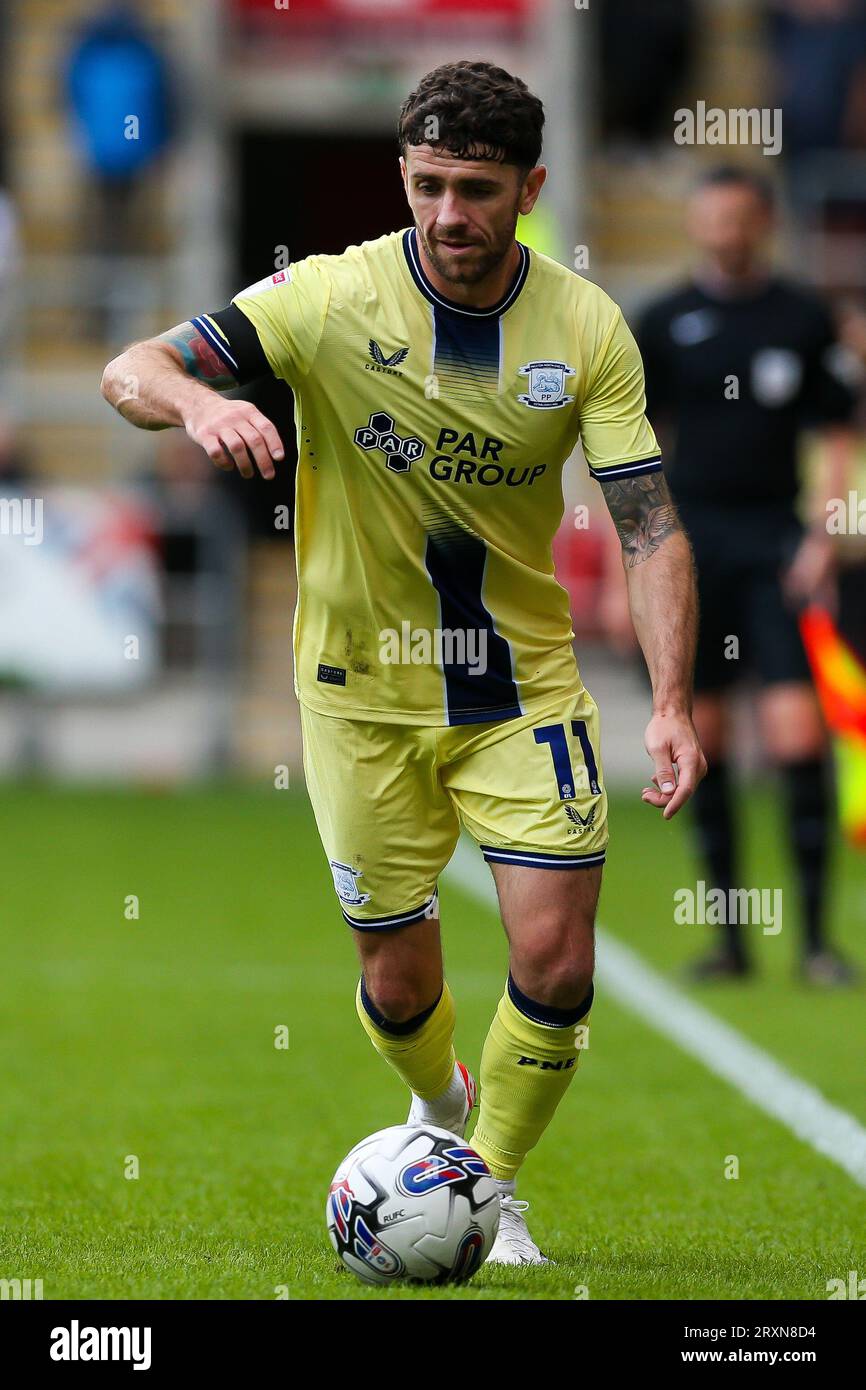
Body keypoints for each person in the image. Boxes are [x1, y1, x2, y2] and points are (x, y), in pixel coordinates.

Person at [101, 61, 705, 1266]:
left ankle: (490, 1182)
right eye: (425, 184)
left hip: (518, 690)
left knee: (554, 949)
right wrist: (196, 404)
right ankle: (435, 1104)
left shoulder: (584, 327)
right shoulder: (325, 298)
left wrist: (674, 702)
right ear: (401, 178)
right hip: (358, 695)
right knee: (394, 981)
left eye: (475, 189)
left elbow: (647, 526)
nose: (446, 214)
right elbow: (131, 369)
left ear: (530, 187)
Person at [623, 166, 859, 985]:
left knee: (798, 735)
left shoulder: (800, 315)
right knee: (708, 742)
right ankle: (729, 941)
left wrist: (825, 534)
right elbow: (631, 446)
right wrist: (637, 561)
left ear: (761, 223)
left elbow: (835, 431)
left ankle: (819, 943)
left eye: (739, 218)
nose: (725, 231)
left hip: (775, 546)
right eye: (712, 217)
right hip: (690, 549)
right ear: (695, 223)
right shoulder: (663, 320)